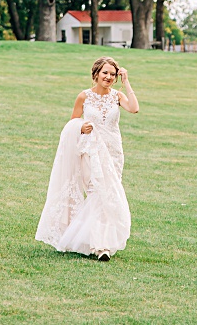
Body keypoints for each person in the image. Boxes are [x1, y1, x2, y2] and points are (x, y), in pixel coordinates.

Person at [34, 56, 138, 260]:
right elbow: (71, 123)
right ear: (96, 74)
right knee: (96, 193)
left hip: (114, 152)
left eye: (112, 74)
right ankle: (102, 247)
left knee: (109, 195)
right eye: (104, 73)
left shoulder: (117, 96)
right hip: (91, 151)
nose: (108, 77)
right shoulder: (84, 97)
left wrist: (126, 83)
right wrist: (80, 126)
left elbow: (134, 108)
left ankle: (93, 240)